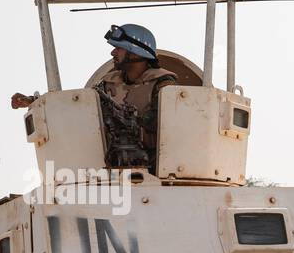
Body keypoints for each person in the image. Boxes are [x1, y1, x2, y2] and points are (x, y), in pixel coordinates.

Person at [11, 24, 177, 167]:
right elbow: (78, 104)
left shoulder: (163, 84)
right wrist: (34, 101)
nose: (113, 52)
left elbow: (165, 129)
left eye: (119, 48)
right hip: (112, 165)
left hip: (155, 167)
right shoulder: (110, 82)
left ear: (135, 53)